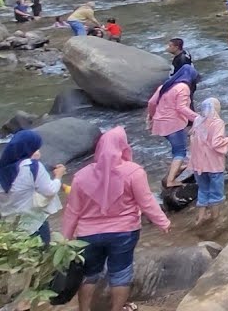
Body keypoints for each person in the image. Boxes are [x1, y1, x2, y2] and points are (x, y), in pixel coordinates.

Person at [61, 127, 170, 311]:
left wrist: (65, 238)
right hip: (124, 232)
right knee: (120, 272)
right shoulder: (134, 172)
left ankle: (84, 309)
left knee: (89, 274)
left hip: (88, 235)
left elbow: (72, 211)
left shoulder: (81, 176)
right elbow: (146, 202)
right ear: (122, 145)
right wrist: (162, 222)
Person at [0, 129, 64, 244]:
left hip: (8, 226)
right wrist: (58, 176)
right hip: (34, 225)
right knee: (41, 257)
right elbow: (50, 190)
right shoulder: (32, 167)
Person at [188, 98, 228, 226]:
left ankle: (200, 218)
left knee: (203, 190)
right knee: (216, 193)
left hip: (198, 164)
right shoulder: (217, 122)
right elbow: (216, 143)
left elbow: (192, 138)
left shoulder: (197, 120)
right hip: (213, 164)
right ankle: (215, 218)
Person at [145, 63, 199, 188]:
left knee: (177, 150)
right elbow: (181, 108)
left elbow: (152, 102)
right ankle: (171, 181)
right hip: (173, 124)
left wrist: (152, 116)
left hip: (160, 123)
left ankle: (178, 168)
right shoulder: (183, 87)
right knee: (180, 152)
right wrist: (199, 118)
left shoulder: (166, 85)